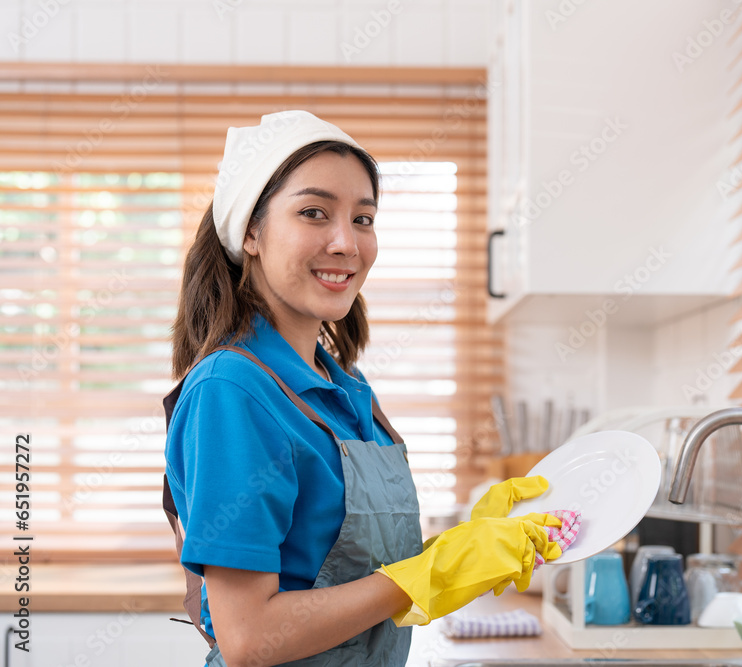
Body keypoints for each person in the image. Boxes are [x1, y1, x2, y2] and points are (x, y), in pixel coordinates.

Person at [162, 110, 562, 667]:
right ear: (251, 232)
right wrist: (428, 572)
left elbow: (357, 580)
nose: (346, 243)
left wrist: (466, 546)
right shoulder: (234, 390)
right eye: (314, 213)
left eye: (364, 218)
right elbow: (249, 638)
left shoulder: (344, 386)